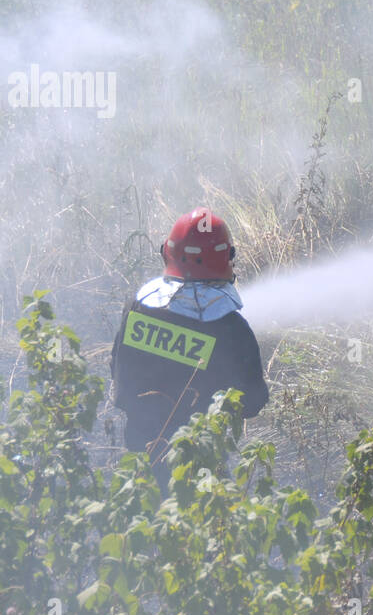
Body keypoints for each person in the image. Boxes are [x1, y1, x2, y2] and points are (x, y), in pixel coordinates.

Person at [110, 206, 269, 489]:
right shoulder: (231, 329)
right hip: (202, 467)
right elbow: (253, 400)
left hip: (139, 459)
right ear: (226, 258)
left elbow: (118, 372)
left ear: (167, 252)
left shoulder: (137, 308)